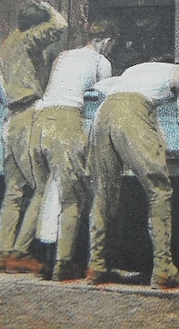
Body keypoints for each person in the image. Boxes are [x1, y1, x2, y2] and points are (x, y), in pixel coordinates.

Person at [87, 61, 179, 289]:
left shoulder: (136, 70)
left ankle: (96, 265)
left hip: (102, 115)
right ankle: (163, 269)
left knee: (103, 193)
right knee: (159, 191)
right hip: (131, 113)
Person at [29, 20, 116, 282]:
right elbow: (103, 99)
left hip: (39, 123)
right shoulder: (101, 62)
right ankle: (63, 264)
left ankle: (44, 259)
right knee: (72, 197)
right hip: (66, 124)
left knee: (48, 192)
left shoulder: (64, 55)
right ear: (107, 41)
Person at [0, 0, 68, 273]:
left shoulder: (7, 44)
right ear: (36, 26)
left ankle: (2, 252)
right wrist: (47, 7)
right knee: (41, 185)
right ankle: (20, 252)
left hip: (9, 119)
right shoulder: (28, 39)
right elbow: (60, 25)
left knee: (13, 190)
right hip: (28, 115)